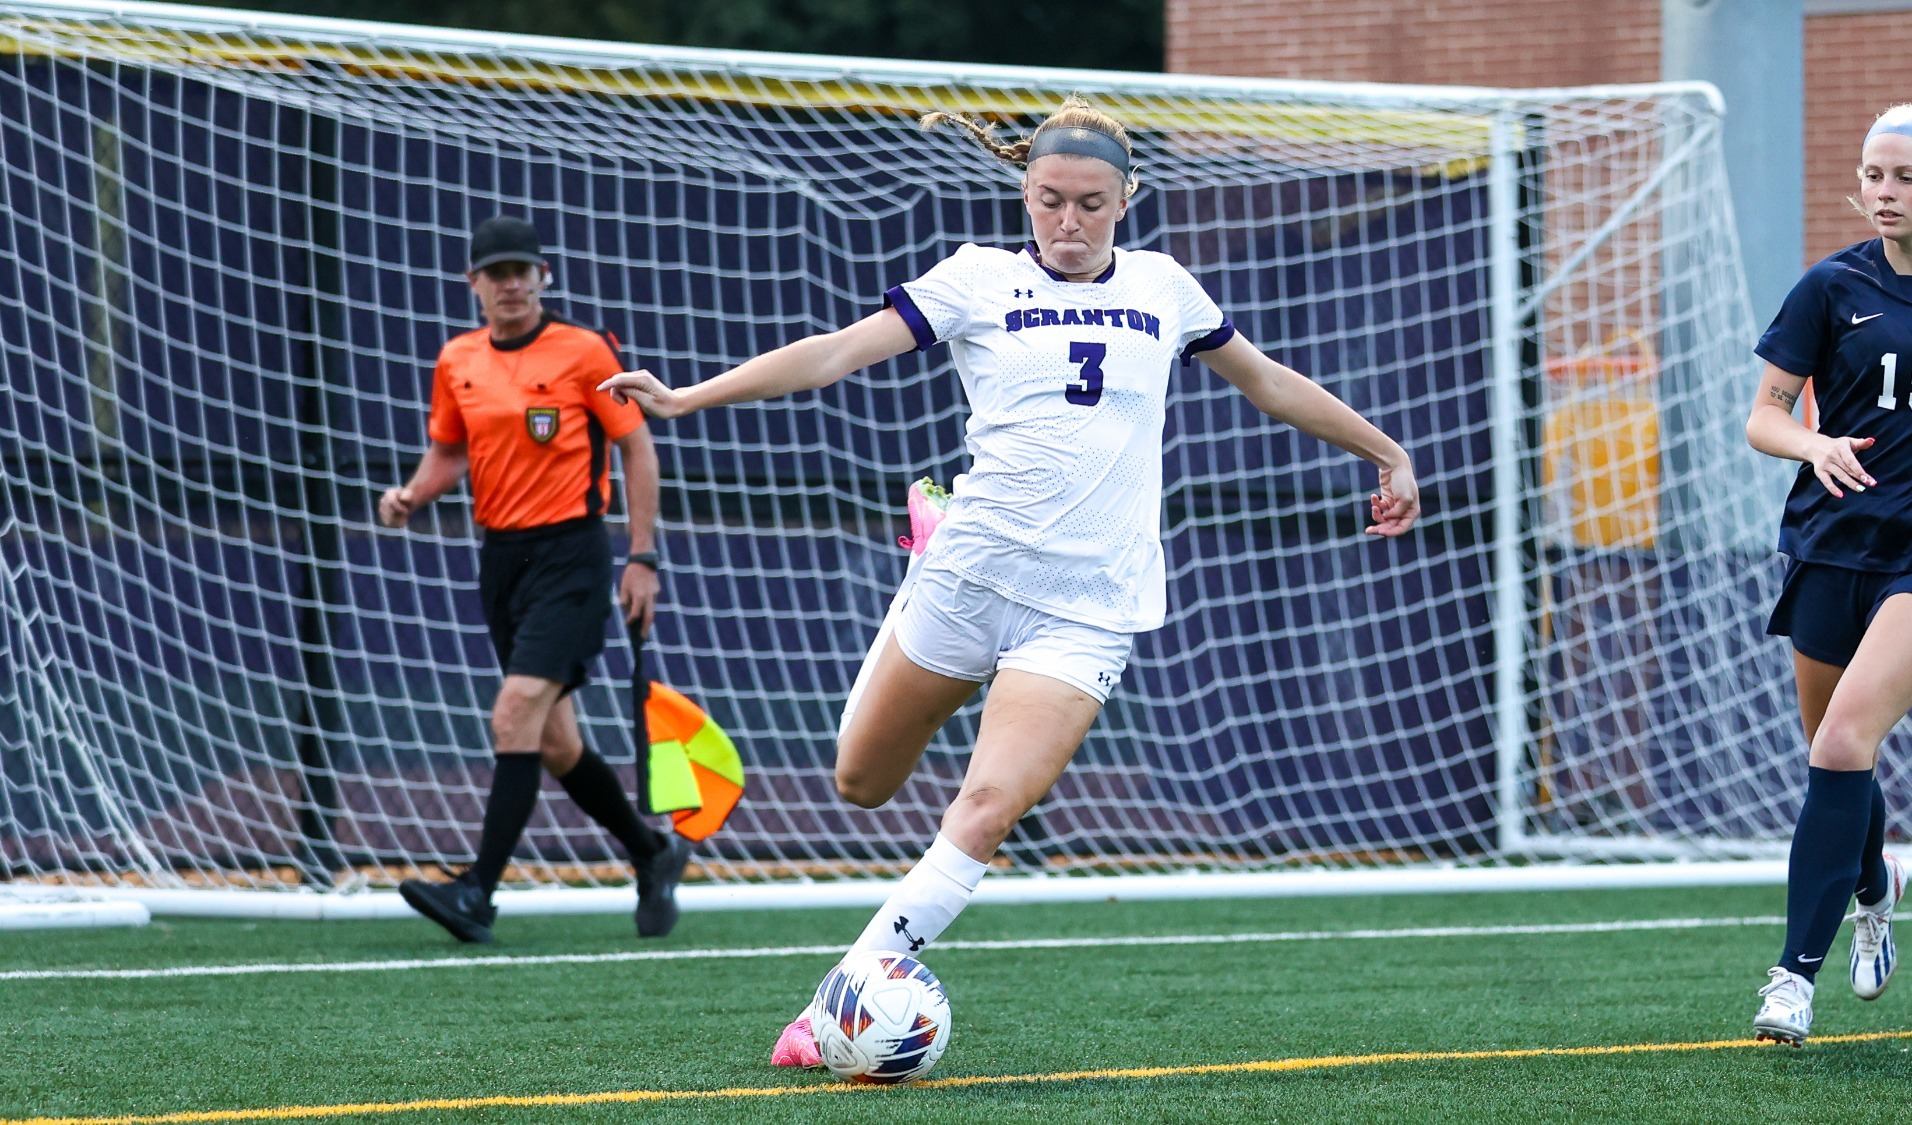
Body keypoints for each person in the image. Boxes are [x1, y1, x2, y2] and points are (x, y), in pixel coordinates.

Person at [599, 96, 1420, 1065]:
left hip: (1085, 610)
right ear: (1024, 195)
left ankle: (836, 1001)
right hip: (969, 577)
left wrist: (1385, 451)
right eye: (1049, 201)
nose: (1069, 222)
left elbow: (1270, 379)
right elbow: (835, 353)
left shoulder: (1163, 287)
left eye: (1090, 204)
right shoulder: (977, 278)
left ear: (1127, 199)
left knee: (988, 807)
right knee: (861, 780)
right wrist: (689, 396)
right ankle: (926, 548)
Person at [1747, 104, 1912, 1044]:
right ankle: (1875, 882)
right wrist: (1812, 444)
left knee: (1848, 736)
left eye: (1905, 177)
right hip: (1832, 545)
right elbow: (1764, 417)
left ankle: (1791, 979)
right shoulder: (1829, 286)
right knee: (1831, 752)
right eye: (1872, 174)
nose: (1883, 192)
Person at [379, 215, 693, 943]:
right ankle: (652, 852)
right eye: (497, 273)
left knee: (513, 710)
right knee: (553, 743)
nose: (511, 284)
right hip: (500, 559)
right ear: (474, 284)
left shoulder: (584, 352)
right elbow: (450, 451)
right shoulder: (457, 358)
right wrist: (411, 496)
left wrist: (642, 556)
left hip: (571, 555)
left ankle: (477, 892)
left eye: (522, 270)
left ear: (543, 277)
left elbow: (638, 450)